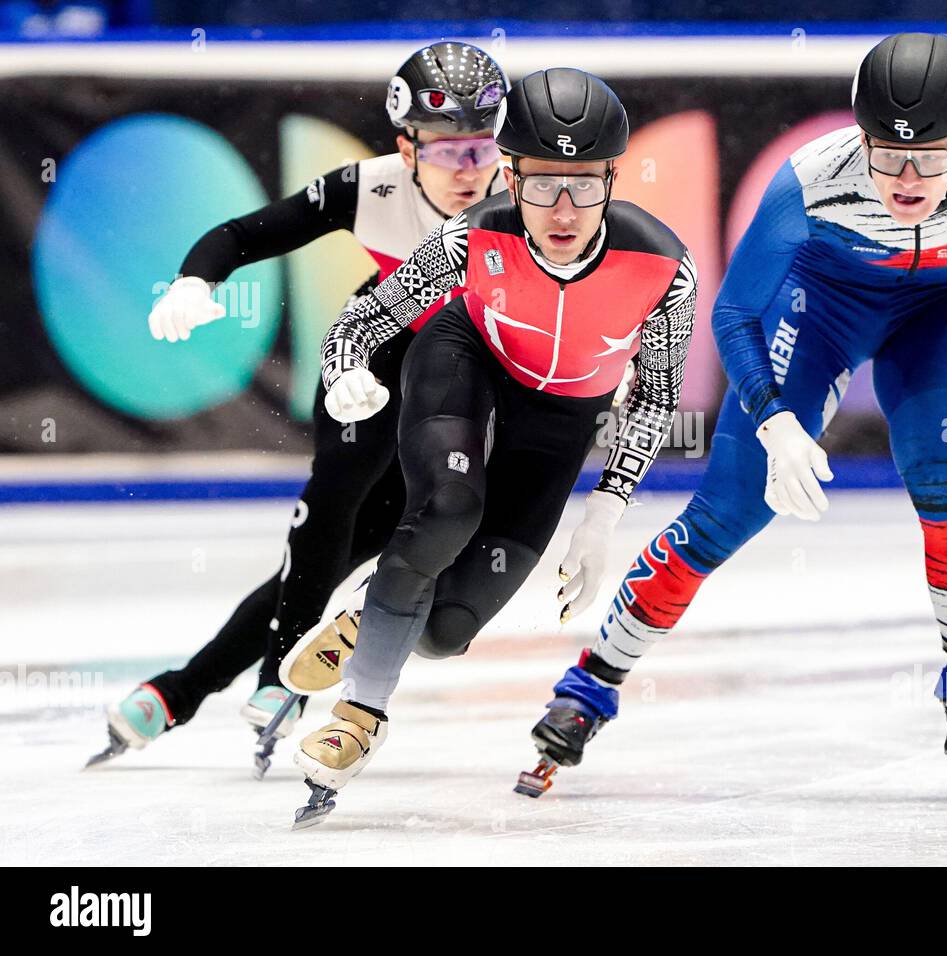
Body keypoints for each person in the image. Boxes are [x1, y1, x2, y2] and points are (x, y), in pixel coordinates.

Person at [518, 32, 947, 800]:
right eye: (884, 153)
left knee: (939, 476)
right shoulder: (810, 182)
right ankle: (590, 688)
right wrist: (776, 422)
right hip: (824, 310)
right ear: (858, 136)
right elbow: (738, 311)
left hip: (943, 307)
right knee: (727, 512)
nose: (904, 179)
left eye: (927, 157)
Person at [288, 67, 698, 829]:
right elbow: (364, 322)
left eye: (583, 184)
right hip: (465, 364)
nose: (564, 209)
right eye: (542, 185)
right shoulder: (470, 237)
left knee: (447, 634)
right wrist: (344, 369)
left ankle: (364, 614)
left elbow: (656, 397)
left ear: (614, 176)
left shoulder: (665, 269)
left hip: (563, 417)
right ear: (511, 175)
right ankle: (360, 712)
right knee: (447, 509)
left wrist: (604, 513)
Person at [87, 41, 509, 773]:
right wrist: (196, 282)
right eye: (448, 152)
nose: (469, 171)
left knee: (354, 548)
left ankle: (179, 690)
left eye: (481, 149)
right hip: (370, 350)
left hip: (457, 376)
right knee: (335, 496)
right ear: (406, 149)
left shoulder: (525, 201)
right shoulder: (367, 188)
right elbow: (242, 236)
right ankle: (280, 676)